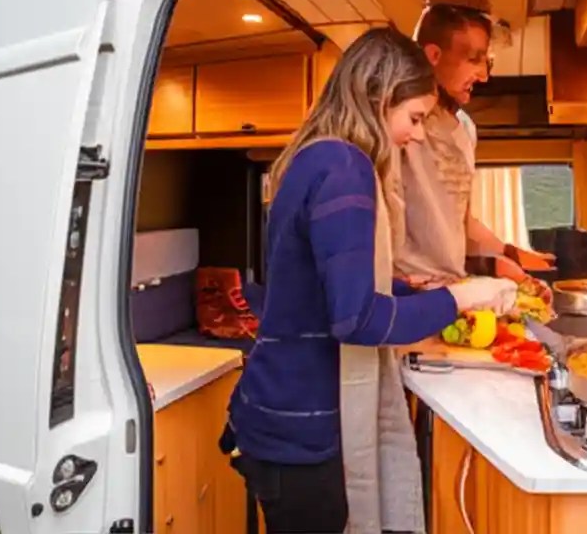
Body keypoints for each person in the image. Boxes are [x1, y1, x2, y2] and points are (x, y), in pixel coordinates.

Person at [221, 28, 518, 534]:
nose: (418, 134)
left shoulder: (318, 157)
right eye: (415, 118)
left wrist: (409, 289)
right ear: (379, 99)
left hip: (282, 413)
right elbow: (356, 318)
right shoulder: (345, 168)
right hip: (300, 424)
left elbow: (331, 286)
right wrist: (462, 294)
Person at [395, 0, 555, 288]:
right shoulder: (398, 124)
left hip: (450, 290)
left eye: (486, 61)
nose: (483, 75)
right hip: (405, 295)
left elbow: (459, 219)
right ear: (433, 56)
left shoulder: (466, 129)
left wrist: (506, 253)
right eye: (474, 59)